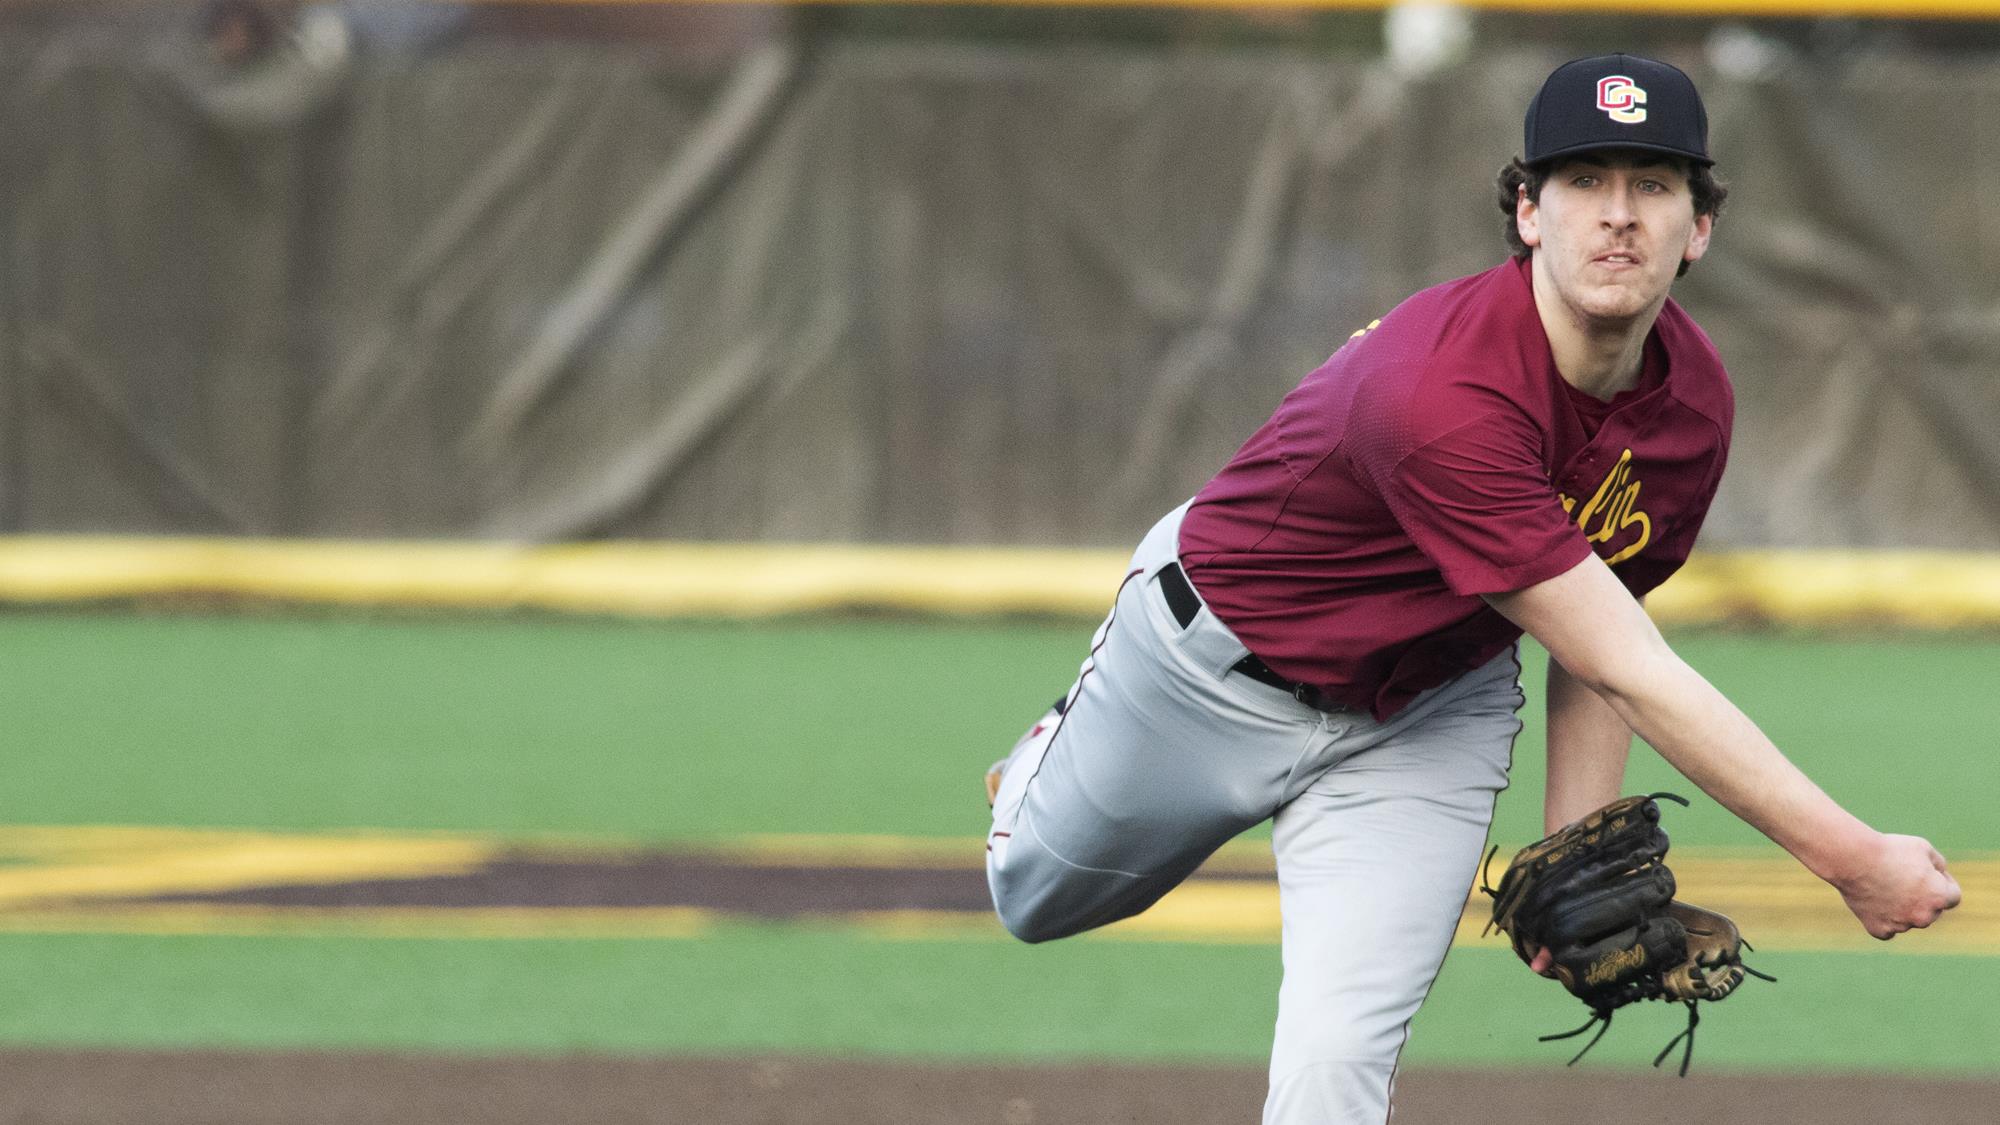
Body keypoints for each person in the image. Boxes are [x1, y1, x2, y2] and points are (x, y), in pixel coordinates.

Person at [982, 53, 1961, 1125]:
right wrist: (1848, 857)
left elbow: (1607, 625)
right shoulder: (1439, 392)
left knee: (1337, 1050)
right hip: (1205, 673)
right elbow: (1622, 664)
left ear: (1700, 228)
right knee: (1032, 899)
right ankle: (1042, 763)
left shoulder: (1691, 405)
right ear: (1528, 215)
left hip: (1425, 715)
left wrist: (1571, 851)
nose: (1618, 216)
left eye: (1652, 184)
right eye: (1583, 182)